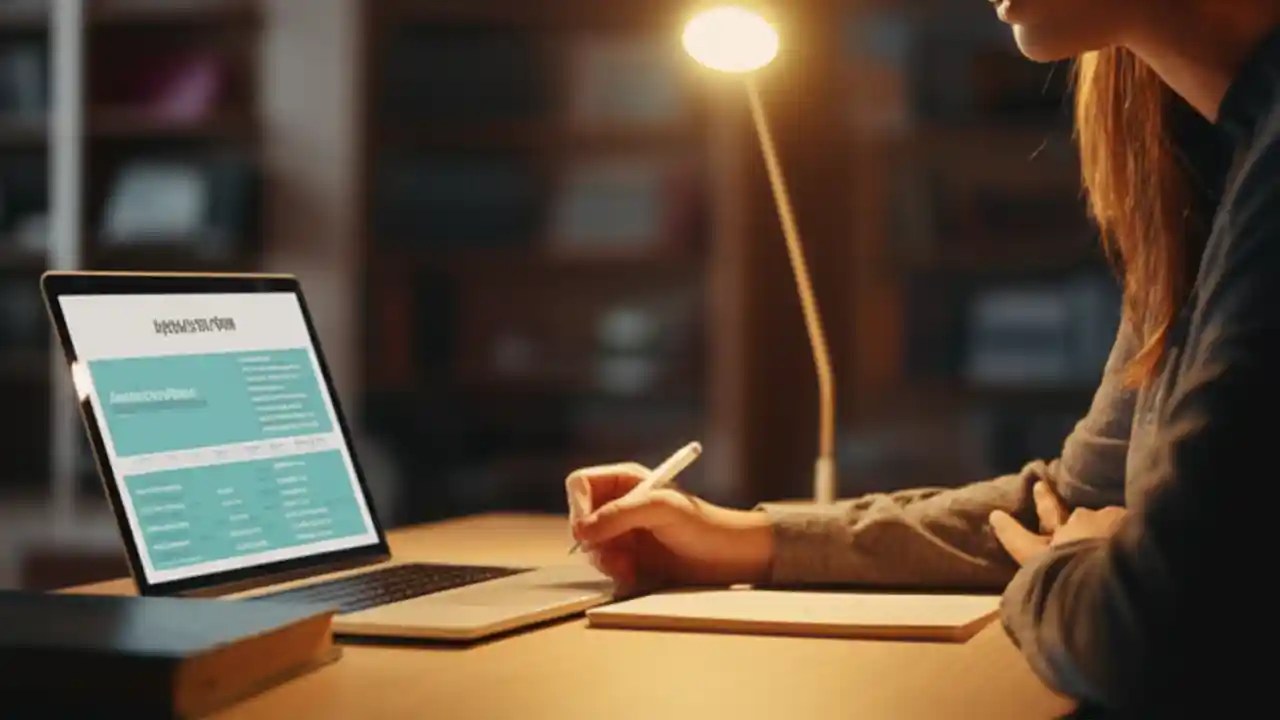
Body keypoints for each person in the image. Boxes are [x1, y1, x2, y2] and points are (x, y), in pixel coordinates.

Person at [565, 0, 1280, 714]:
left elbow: (1151, 632)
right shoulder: (1207, 171)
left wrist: (1067, 568)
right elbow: (1066, 505)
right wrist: (747, 539)